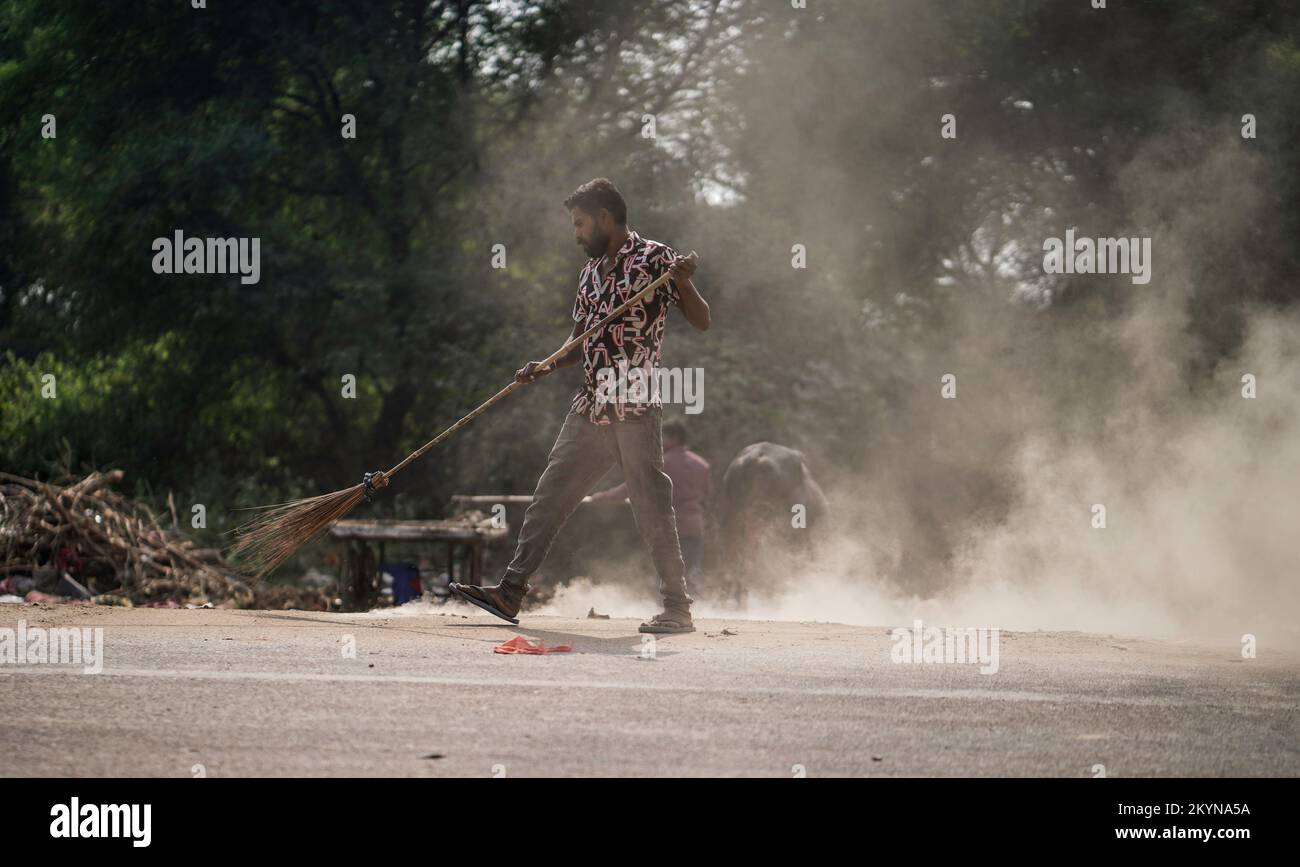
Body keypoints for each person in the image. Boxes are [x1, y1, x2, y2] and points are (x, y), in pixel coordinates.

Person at [449, 178, 711, 634]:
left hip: (634, 402)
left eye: (580, 223)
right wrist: (544, 365)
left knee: (650, 505)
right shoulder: (589, 273)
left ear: (604, 219)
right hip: (590, 405)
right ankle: (511, 591)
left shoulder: (655, 259)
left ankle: (677, 609)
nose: (576, 233)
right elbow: (579, 340)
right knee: (550, 496)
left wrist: (684, 283)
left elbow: (702, 320)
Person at [590, 420, 711, 585]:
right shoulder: (702, 465)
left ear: (674, 438)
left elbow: (632, 486)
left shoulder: (662, 463)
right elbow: (706, 494)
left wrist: (602, 497)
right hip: (695, 527)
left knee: (667, 576)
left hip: (671, 527)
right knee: (690, 573)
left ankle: (670, 609)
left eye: (663, 437)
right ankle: (695, 608)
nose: (659, 441)